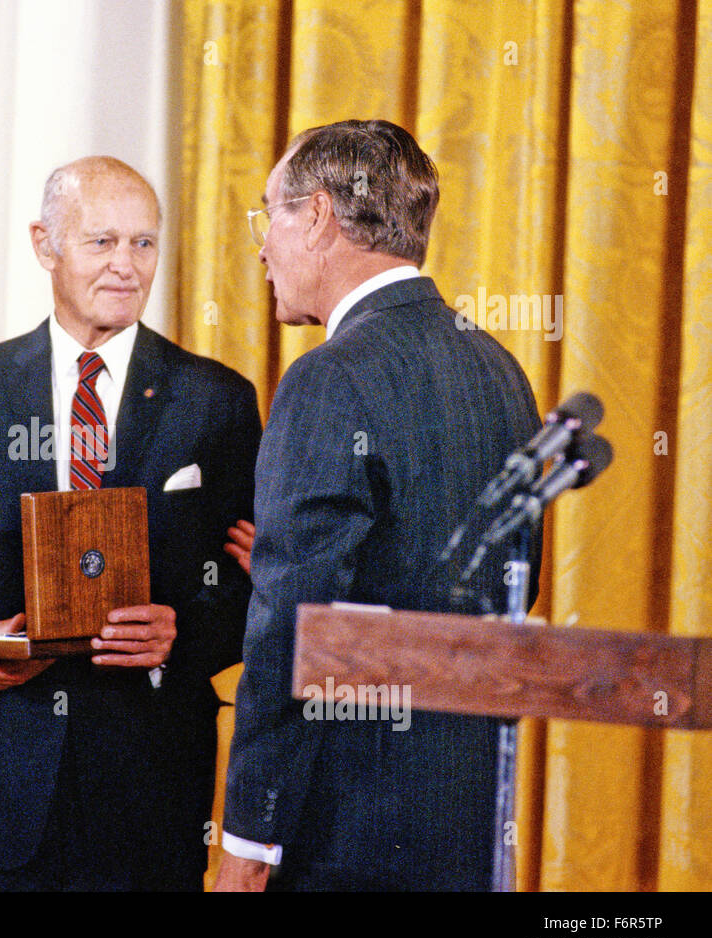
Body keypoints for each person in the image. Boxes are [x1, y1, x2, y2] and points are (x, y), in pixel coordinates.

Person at [0, 156, 261, 891]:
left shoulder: (218, 399)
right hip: (1, 785)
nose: (126, 266)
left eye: (143, 243)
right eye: (101, 242)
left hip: (152, 793)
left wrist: (183, 636)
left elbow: (254, 577)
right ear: (46, 245)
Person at [216, 120, 542, 892]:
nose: (262, 247)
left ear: (321, 216)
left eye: (272, 216)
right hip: (465, 821)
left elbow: (292, 634)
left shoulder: (328, 378)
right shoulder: (500, 369)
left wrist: (247, 844)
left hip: (343, 830)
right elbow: (514, 593)